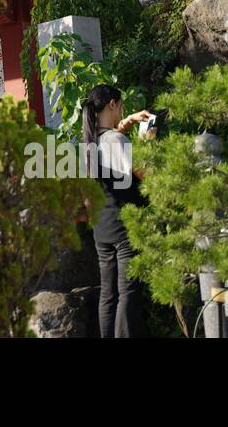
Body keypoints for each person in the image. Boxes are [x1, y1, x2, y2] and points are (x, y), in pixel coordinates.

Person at [81, 84, 152, 338]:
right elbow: (145, 174)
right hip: (125, 226)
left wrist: (130, 121)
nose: (122, 112)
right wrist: (147, 143)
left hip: (102, 228)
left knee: (108, 295)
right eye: (121, 107)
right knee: (128, 292)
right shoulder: (116, 141)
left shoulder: (89, 143)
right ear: (112, 104)